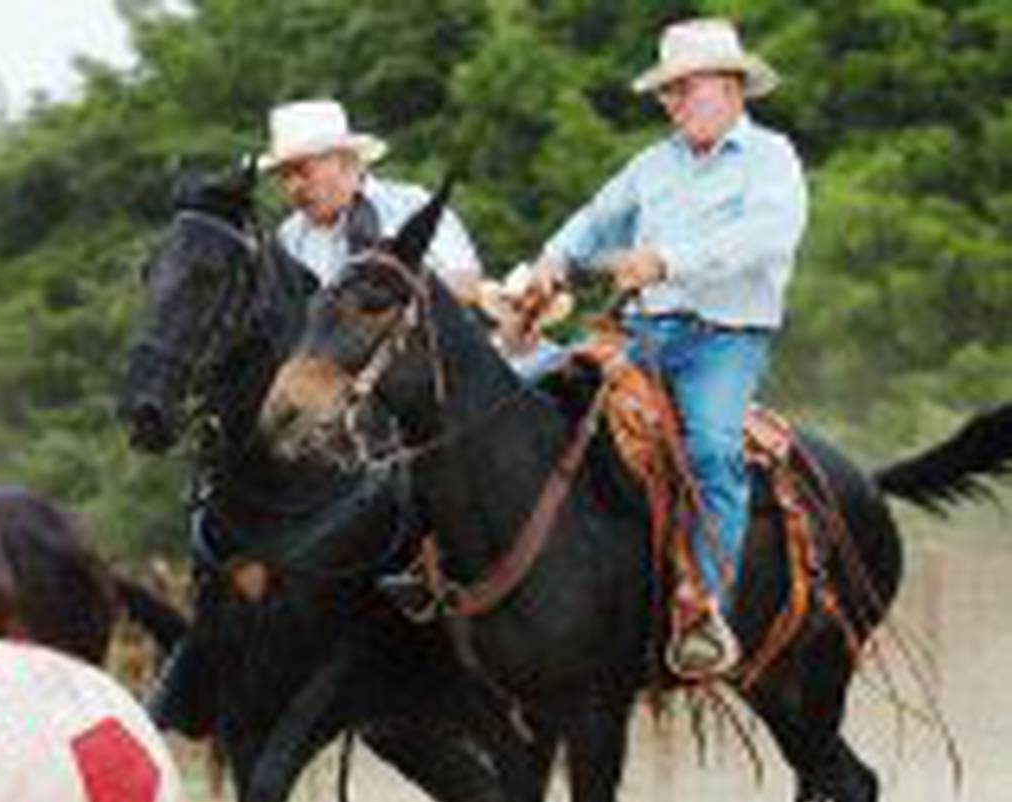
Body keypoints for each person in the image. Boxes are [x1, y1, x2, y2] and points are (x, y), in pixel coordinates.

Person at [529, 18, 808, 679]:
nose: (674, 103)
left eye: (686, 88)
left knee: (712, 446)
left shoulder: (772, 159)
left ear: (732, 88)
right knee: (530, 391)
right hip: (647, 334)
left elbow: (767, 238)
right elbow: (596, 218)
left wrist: (668, 261)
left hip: (724, 340)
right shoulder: (653, 165)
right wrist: (551, 259)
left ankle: (705, 604)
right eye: (668, 93)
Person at [262, 99, 484, 302]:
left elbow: (467, 285)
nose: (293, 186)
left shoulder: (412, 206)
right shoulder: (289, 239)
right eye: (284, 176)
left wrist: (393, 292)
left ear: (347, 161)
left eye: (303, 171)